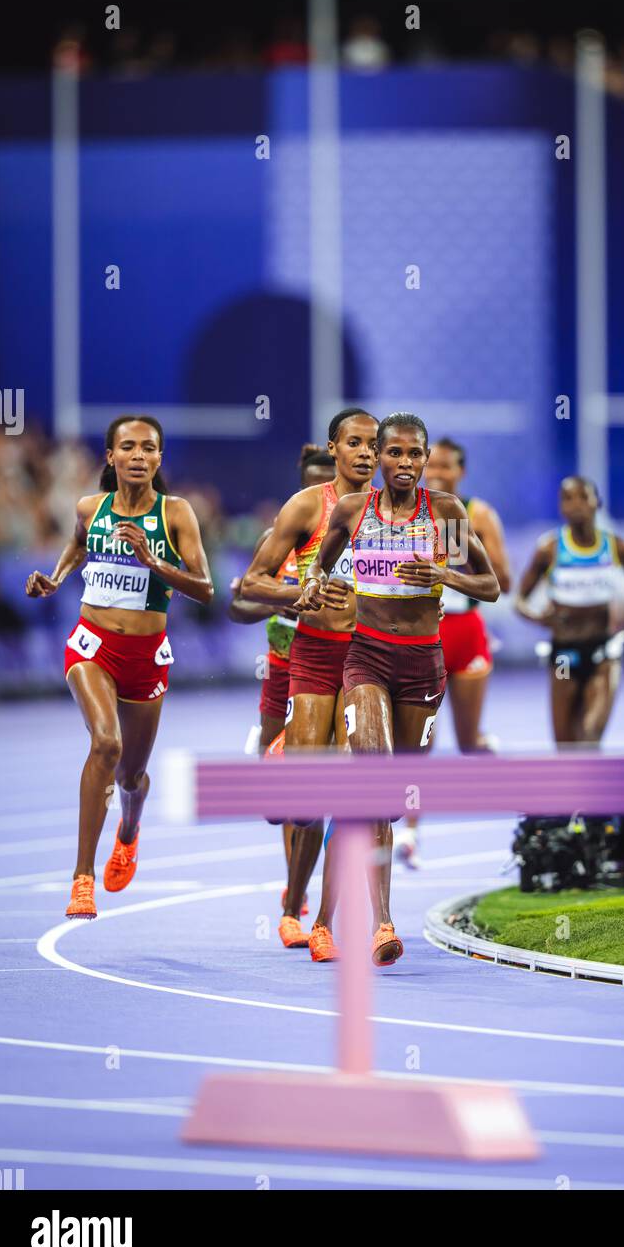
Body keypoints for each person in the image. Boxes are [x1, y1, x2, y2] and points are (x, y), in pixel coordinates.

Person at [297, 412, 500, 965]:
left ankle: (327, 918)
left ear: (425, 459)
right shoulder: (351, 509)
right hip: (366, 658)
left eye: (416, 455)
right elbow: (321, 561)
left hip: (423, 666)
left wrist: (444, 575)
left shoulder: (446, 513)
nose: (405, 465)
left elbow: (490, 586)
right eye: (395, 454)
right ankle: (382, 923)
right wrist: (316, 586)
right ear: (380, 458)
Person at [25, 416, 213, 918]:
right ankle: (81, 880)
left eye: (147, 448)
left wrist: (155, 563)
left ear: (159, 458)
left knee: (131, 776)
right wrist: (57, 578)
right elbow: (79, 543)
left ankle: (128, 829)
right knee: (105, 743)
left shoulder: (177, 513)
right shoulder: (91, 507)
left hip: (146, 659)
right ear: (109, 456)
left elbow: (206, 588)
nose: (137, 455)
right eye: (126, 447)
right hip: (92, 646)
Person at [240, 408, 378, 953]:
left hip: (369, 660)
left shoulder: (399, 512)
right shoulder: (306, 506)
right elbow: (252, 581)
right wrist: (295, 595)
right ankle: (291, 904)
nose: (366, 453)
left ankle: (324, 923)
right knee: (305, 800)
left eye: (374, 444)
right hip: (315, 655)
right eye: (355, 443)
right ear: (334, 448)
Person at [383, 436, 512, 869]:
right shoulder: (404, 508)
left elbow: (501, 581)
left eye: (446, 468)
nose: (436, 474)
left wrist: (462, 550)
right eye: (430, 466)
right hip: (425, 632)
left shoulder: (476, 513)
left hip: (467, 633)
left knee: (469, 742)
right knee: (422, 740)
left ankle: (503, 770)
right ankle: (411, 833)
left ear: (461, 472)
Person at [229, 445, 335, 910]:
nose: (317, 489)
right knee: (285, 801)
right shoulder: (282, 535)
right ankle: (296, 889)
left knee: (321, 786)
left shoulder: (356, 530)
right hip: (281, 667)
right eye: (310, 481)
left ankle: (302, 902)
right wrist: (283, 598)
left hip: (334, 665)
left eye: (324, 482)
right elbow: (238, 606)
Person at [515, 475, 624, 745]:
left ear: (596, 503)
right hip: (564, 656)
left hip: (603, 654)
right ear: (561, 507)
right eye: (567, 498)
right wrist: (537, 618)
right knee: (565, 746)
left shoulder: (616, 546)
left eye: (583, 497)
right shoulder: (549, 549)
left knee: (589, 737)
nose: (575, 504)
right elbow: (519, 600)